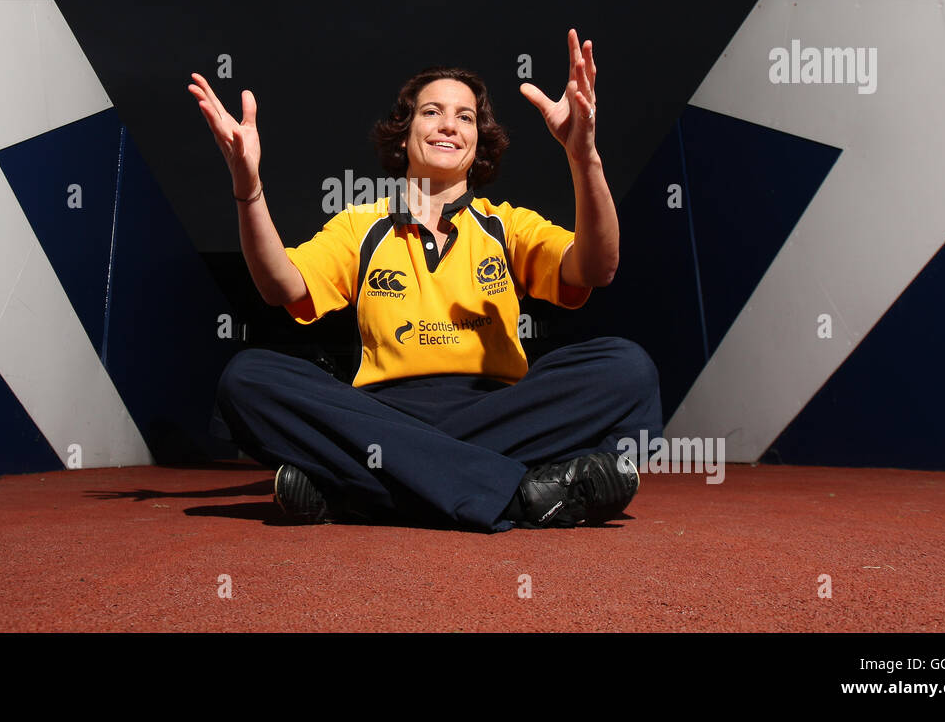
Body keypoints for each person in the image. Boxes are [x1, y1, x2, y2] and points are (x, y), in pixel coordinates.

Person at [186, 29, 663, 532]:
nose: (449, 125)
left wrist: (583, 155)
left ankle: (360, 488)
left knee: (626, 367)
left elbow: (597, 268)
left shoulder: (508, 225)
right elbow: (280, 287)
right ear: (404, 128)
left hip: (498, 410)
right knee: (247, 379)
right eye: (431, 111)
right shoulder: (360, 225)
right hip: (382, 412)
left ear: (479, 139)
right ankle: (522, 493)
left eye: (465, 117)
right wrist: (249, 187)